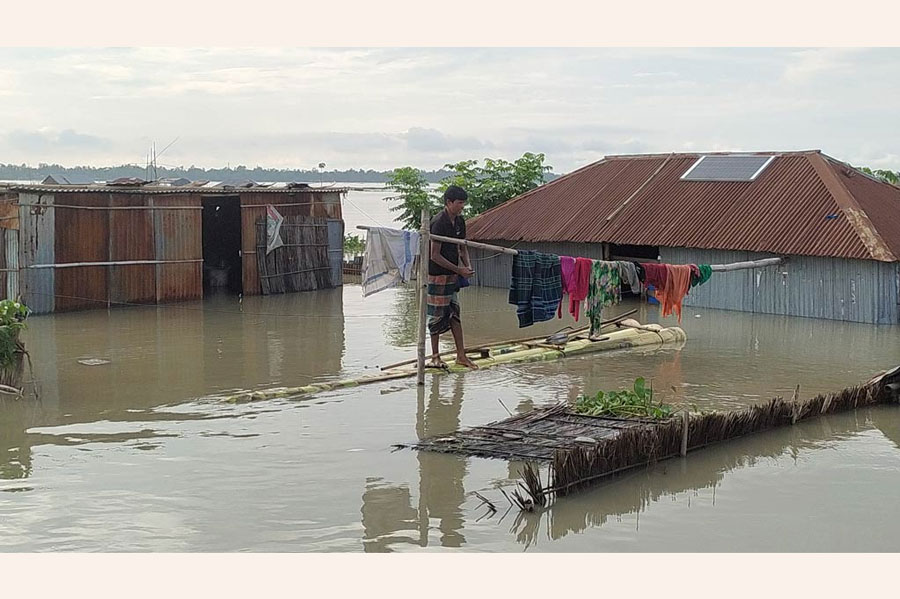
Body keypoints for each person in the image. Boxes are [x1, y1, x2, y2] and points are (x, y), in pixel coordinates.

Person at [426, 185, 478, 369]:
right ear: (449, 202)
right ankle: (435, 356)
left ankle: (461, 355)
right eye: (459, 203)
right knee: (436, 316)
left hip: (453, 274)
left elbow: (462, 246)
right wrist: (459, 269)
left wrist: (467, 265)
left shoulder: (460, 221)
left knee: (455, 313)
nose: (462, 206)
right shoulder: (438, 222)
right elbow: (434, 255)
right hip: (437, 274)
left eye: (464, 203)